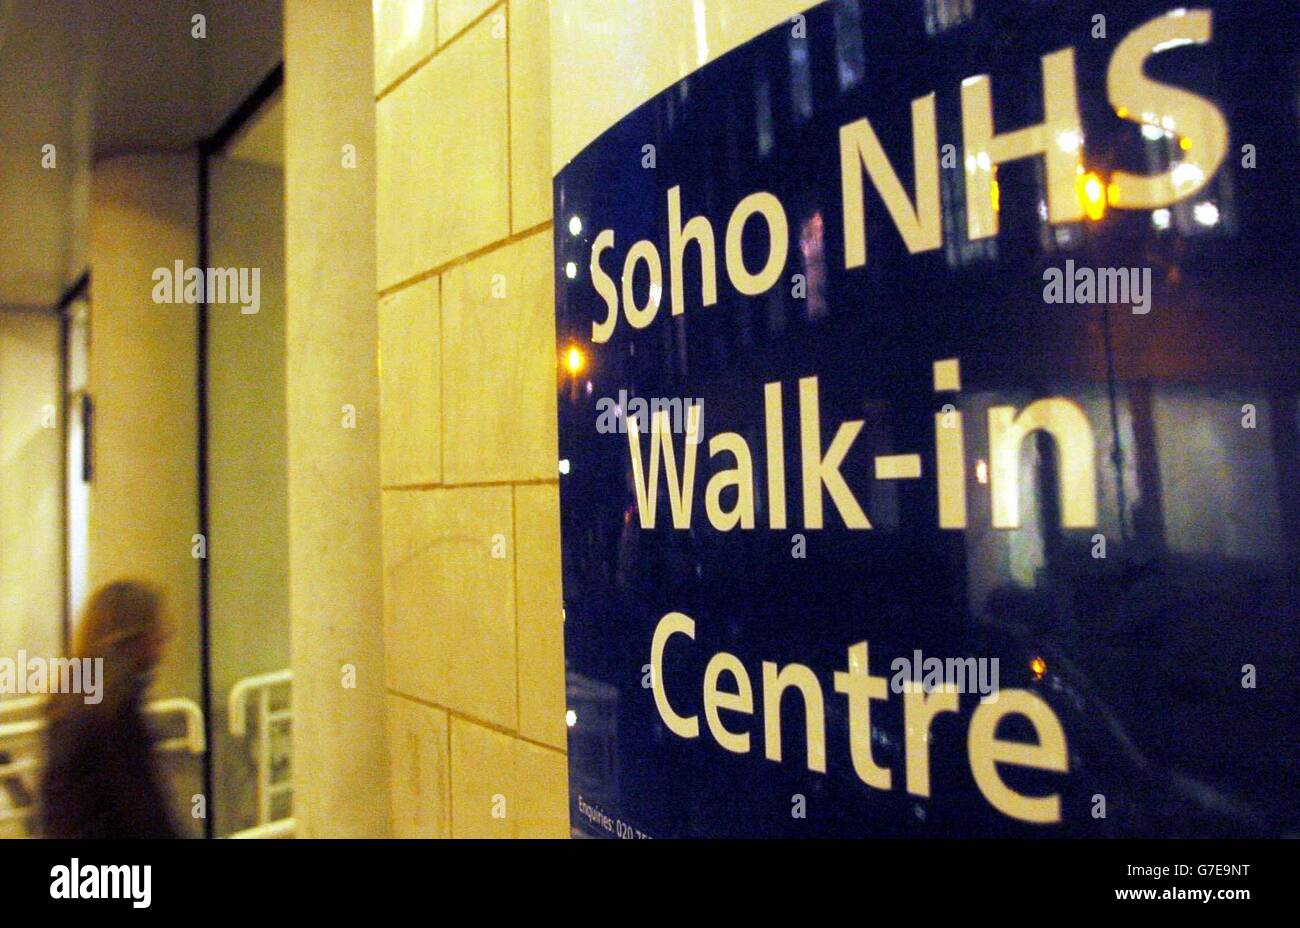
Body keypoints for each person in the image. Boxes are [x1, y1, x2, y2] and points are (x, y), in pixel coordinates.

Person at [41, 580, 181, 839]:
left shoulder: (71, 695)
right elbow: (143, 811)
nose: (166, 635)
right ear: (137, 635)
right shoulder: (117, 708)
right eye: (160, 626)